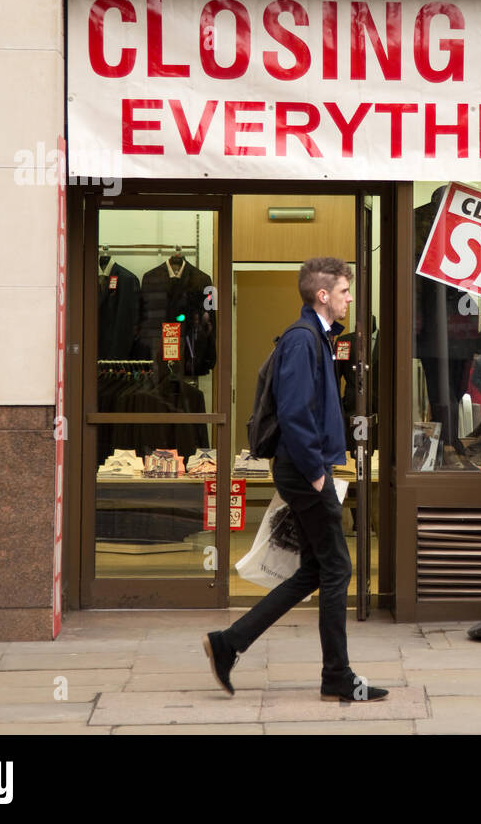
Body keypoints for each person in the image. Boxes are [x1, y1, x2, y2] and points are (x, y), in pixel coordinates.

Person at [204, 257, 388, 702]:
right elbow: (294, 412)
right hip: (305, 471)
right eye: (344, 291)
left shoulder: (317, 338)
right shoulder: (305, 340)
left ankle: (229, 643)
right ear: (322, 295)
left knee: (315, 569)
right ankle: (336, 676)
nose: (349, 298)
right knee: (339, 567)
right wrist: (316, 474)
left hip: (307, 469)